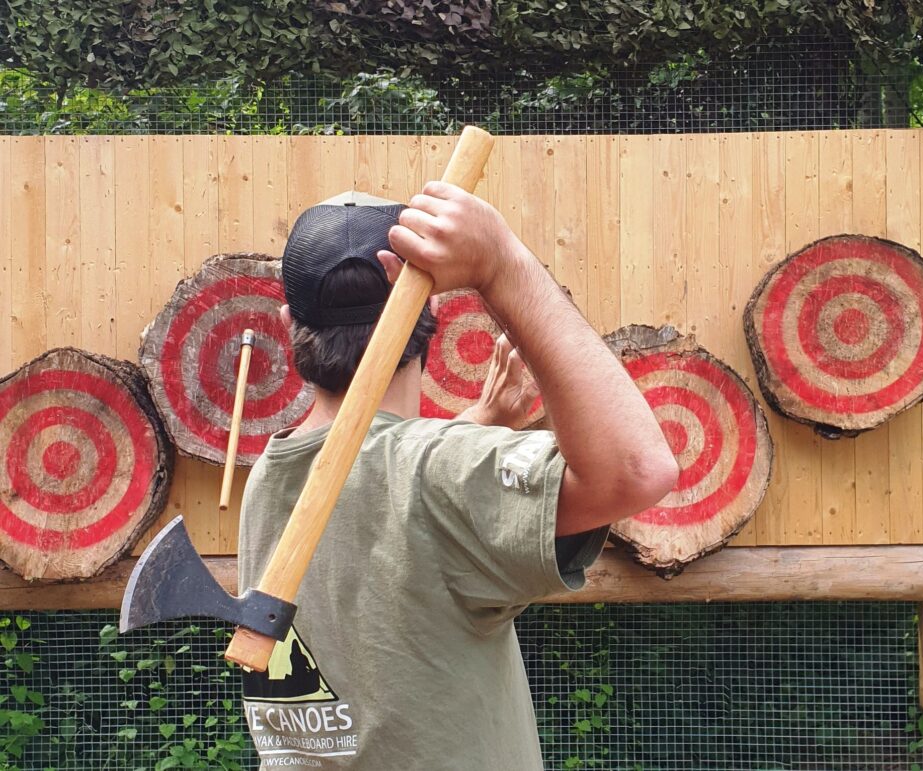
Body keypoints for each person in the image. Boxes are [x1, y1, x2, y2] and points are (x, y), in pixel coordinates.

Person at [238, 186, 679, 770]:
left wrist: (474, 427)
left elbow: (377, 485)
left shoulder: (270, 475)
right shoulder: (440, 472)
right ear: (428, 319)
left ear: (288, 325)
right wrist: (502, 265)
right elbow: (638, 471)